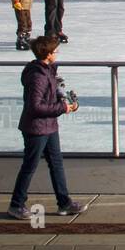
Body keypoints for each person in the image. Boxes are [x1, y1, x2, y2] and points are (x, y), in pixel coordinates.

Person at [6, 35, 88, 220]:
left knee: (56, 164)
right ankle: (16, 204)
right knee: (30, 166)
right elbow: (35, 106)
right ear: (48, 54)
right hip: (36, 128)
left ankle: (64, 202)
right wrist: (62, 108)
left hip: (49, 126)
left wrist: (62, 100)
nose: (58, 53)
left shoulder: (47, 71)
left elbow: (48, 97)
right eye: (55, 50)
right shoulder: (38, 76)